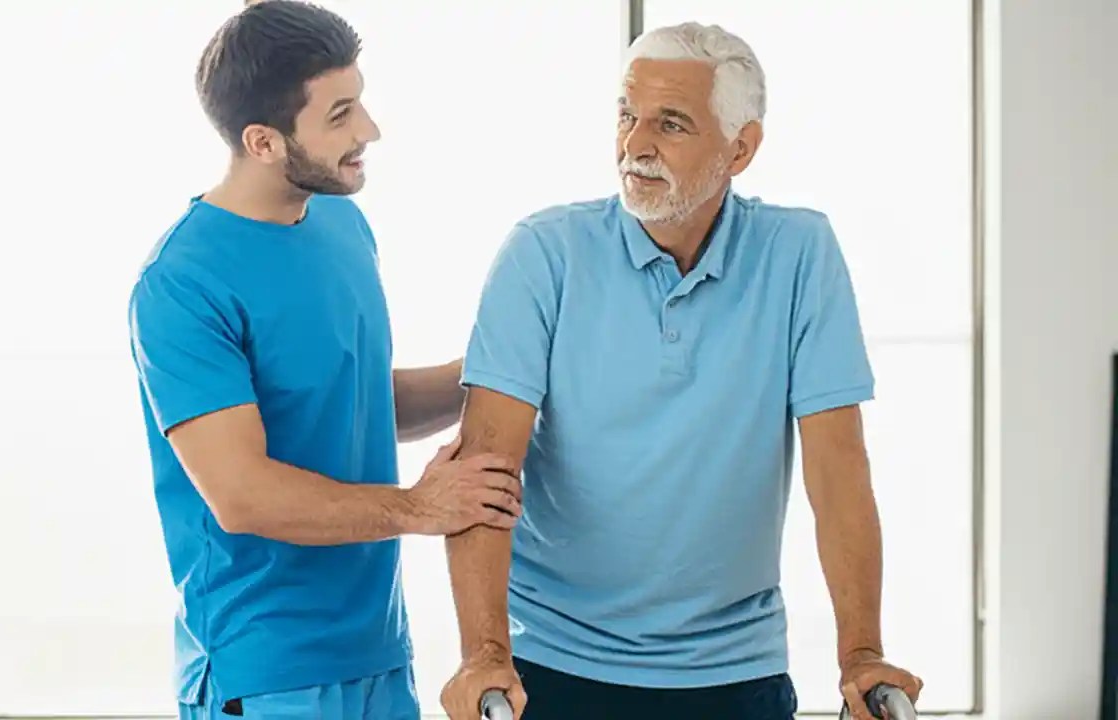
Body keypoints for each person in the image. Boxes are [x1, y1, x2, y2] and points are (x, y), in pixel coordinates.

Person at [439, 21, 924, 720]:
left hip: (735, 668)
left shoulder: (800, 255)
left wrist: (860, 654)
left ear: (741, 147)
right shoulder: (544, 254)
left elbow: (839, 473)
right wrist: (483, 652)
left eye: (670, 124)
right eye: (627, 116)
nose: (635, 145)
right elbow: (485, 475)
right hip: (553, 659)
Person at [127, 3, 522, 719]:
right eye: (339, 114)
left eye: (361, 100)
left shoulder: (341, 221)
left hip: (376, 649)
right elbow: (241, 493)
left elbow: (356, 402)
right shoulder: (181, 283)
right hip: (267, 670)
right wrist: (420, 508)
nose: (368, 129)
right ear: (264, 141)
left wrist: (502, 373)